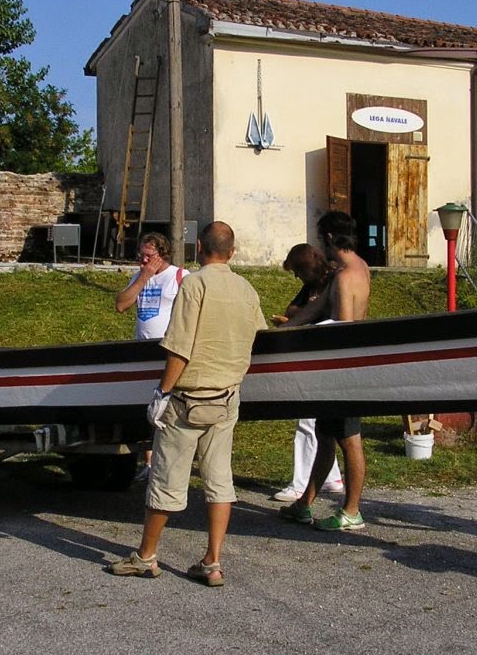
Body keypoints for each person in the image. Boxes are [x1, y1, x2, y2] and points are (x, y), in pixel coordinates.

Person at [108, 221, 267, 586]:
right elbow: (256, 335)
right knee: (219, 480)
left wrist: (162, 393)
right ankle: (213, 561)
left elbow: (179, 347)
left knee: (165, 479)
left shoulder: (193, 284)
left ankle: (146, 556)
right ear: (232, 252)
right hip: (227, 396)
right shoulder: (246, 288)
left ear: (198, 247)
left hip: (187, 398)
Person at [282, 211, 371, 531]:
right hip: (336, 372)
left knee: (349, 439)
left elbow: (340, 331)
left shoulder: (346, 278)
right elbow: (314, 310)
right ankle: (303, 505)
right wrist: (282, 331)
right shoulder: (354, 268)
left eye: (321, 239)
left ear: (330, 238)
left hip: (343, 371)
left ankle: (351, 511)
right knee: (324, 437)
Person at [271, 243, 344, 501]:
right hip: (313, 356)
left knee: (308, 420)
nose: (296, 277)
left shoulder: (334, 281)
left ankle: (300, 484)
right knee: (322, 422)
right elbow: (293, 309)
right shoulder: (311, 285)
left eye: (297, 272)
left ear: (307, 268)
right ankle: (332, 477)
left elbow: (319, 313)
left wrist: (298, 319)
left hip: (327, 357)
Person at [115, 232, 185, 480]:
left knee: (167, 408)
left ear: (162, 255)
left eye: (149, 256)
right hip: (141, 351)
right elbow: (121, 304)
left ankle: (169, 461)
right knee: (149, 408)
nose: (143, 260)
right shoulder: (139, 276)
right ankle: (149, 462)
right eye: (141, 255)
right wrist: (144, 276)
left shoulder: (179, 276)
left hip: (168, 350)